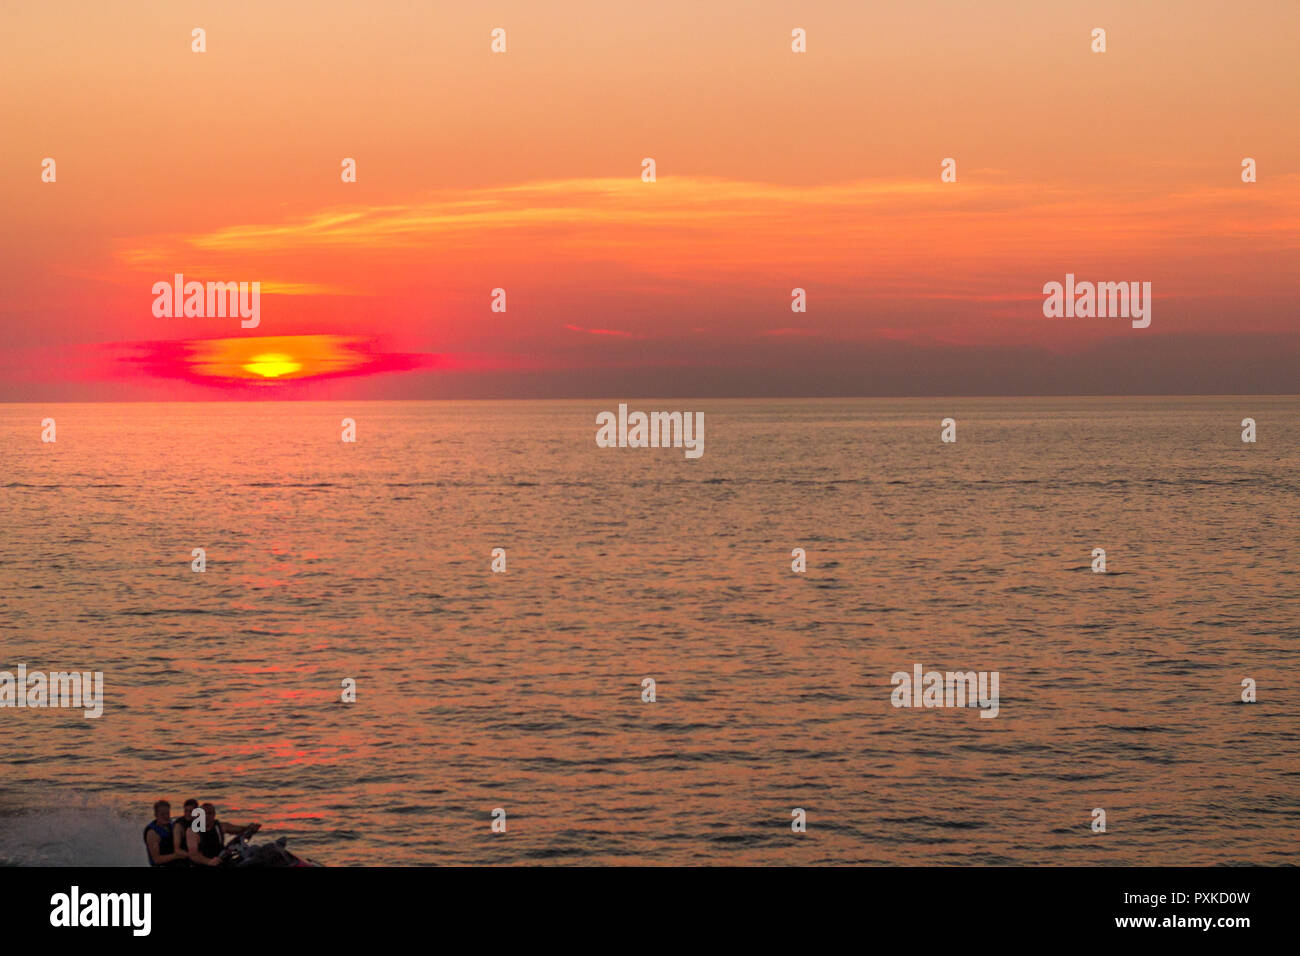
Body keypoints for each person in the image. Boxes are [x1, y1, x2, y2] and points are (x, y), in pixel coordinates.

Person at [184, 802, 261, 866]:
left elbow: (239, 829)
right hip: (204, 863)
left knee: (255, 849)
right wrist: (209, 861)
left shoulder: (220, 826)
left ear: (214, 815)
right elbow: (193, 855)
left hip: (222, 858)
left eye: (209, 813)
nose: (206, 816)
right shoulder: (193, 831)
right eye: (203, 814)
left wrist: (250, 828)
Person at [143, 800, 188, 867]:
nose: (166, 816)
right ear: (156, 815)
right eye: (163, 814)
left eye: (167, 813)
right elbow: (156, 859)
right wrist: (176, 855)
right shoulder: (152, 833)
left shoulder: (171, 825)